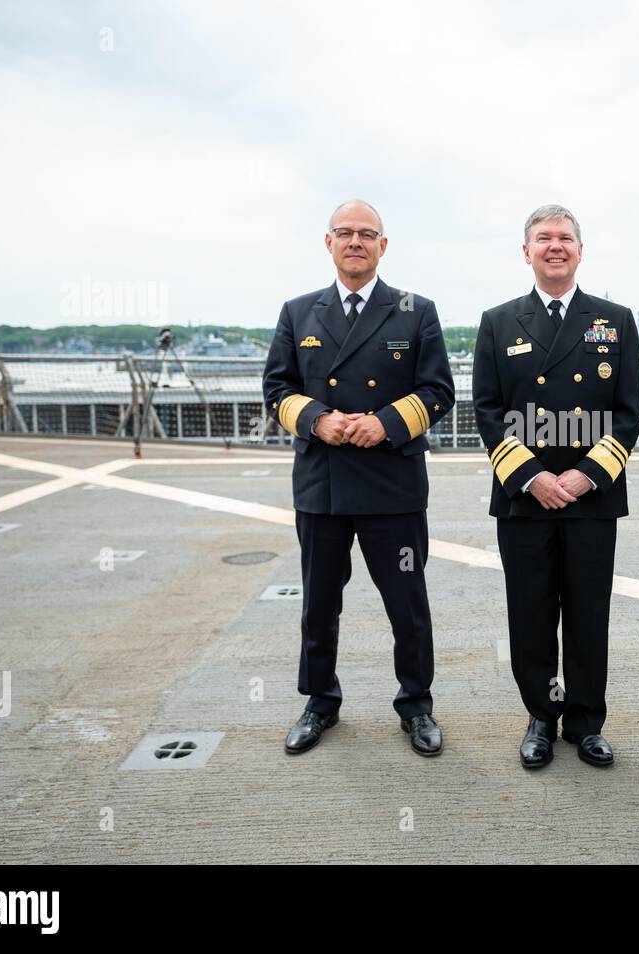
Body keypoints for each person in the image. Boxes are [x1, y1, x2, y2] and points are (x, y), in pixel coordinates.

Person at [262, 199, 454, 757]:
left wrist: (385, 422)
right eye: (344, 233)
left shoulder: (416, 310)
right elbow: (276, 389)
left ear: (383, 246)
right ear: (328, 243)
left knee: (407, 604)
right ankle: (320, 700)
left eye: (366, 234)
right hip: (322, 485)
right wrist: (319, 419)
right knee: (319, 604)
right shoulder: (298, 311)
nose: (355, 242)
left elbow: (439, 390)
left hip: (391, 485)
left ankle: (417, 705)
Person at [473, 204, 639, 769]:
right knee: (531, 612)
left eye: (565, 238)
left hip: (591, 497)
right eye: (543, 238)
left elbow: (628, 414)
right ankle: (542, 718)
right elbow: (488, 411)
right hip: (525, 498)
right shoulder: (499, 321)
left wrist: (584, 474)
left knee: (589, 613)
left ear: (579, 250)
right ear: (527, 252)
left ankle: (587, 723)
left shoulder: (615, 320)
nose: (555, 246)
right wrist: (532, 477)